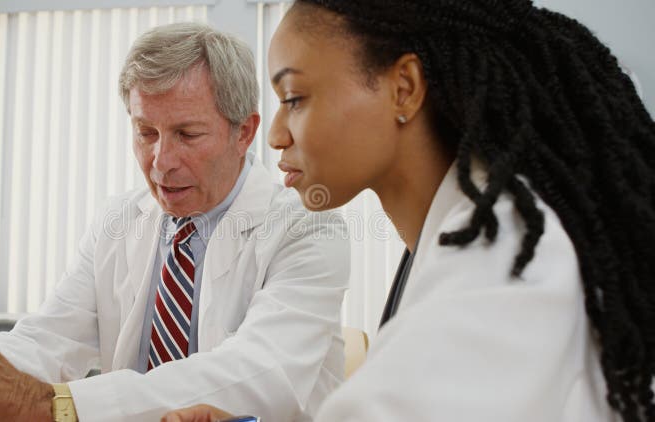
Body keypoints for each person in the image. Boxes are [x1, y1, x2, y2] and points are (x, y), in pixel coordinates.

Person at [163, 0, 655, 421]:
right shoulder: (456, 231)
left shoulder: (507, 252)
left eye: (295, 98)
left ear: (404, 87)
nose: (275, 135)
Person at [0, 22, 350, 422]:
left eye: (187, 134)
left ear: (243, 131)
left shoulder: (307, 227)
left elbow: (256, 374)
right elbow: (52, 337)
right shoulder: (119, 220)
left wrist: (50, 406)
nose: (161, 162)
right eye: (145, 132)